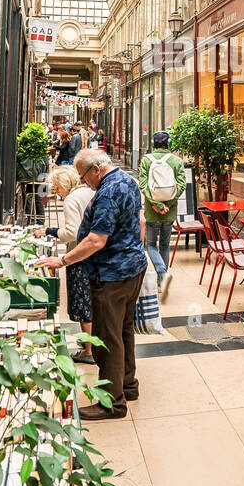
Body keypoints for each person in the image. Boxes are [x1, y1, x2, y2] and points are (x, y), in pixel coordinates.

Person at [42, 149, 147, 420]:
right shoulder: (128, 181)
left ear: (96, 169)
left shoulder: (109, 191)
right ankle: (128, 385)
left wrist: (62, 260)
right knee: (123, 331)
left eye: (84, 175)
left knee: (106, 339)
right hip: (131, 269)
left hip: (111, 275)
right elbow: (140, 221)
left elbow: (95, 240)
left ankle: (112, 402)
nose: (83, 181)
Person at [37, 165, 96, 363]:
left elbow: (72, 232)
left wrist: (52, 232)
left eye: (56, 187)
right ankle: (94, 343)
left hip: (80, 254)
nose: (56, 192)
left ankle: (89, 351)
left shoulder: (71, 199)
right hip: (96, 252)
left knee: (83, 303)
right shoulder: (90, 191)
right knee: (93, 301)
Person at [139, 130, 186, 299]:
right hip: (169, 211)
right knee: (165, 245)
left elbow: (143, 185)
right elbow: (181, 185)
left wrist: (156, 204)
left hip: (152, 211)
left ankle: (161, 272)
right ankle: (162, 279)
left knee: (150, 245)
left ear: (153, 144)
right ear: (170, 144)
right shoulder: (176, 160)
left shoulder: (146, 160)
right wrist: (167, 205)